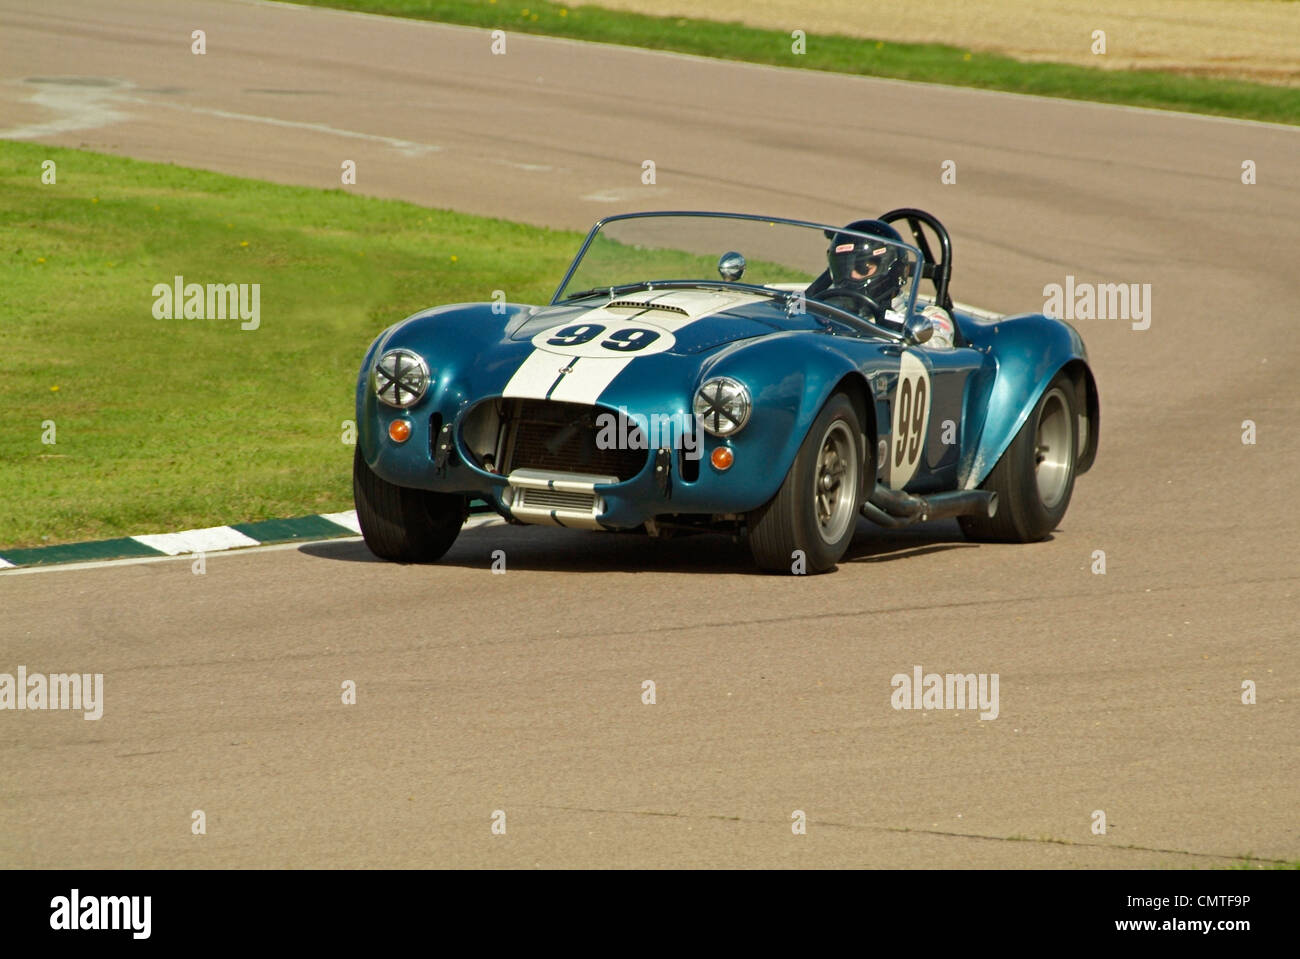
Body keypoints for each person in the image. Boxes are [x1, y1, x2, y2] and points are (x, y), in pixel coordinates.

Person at [817, 219, 955, 349]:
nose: (851, 276)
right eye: (843, 269)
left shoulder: (929, 319)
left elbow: (938, 348)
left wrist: (898, 330)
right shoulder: (827, 308)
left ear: (893, 270)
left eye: (863, 268)